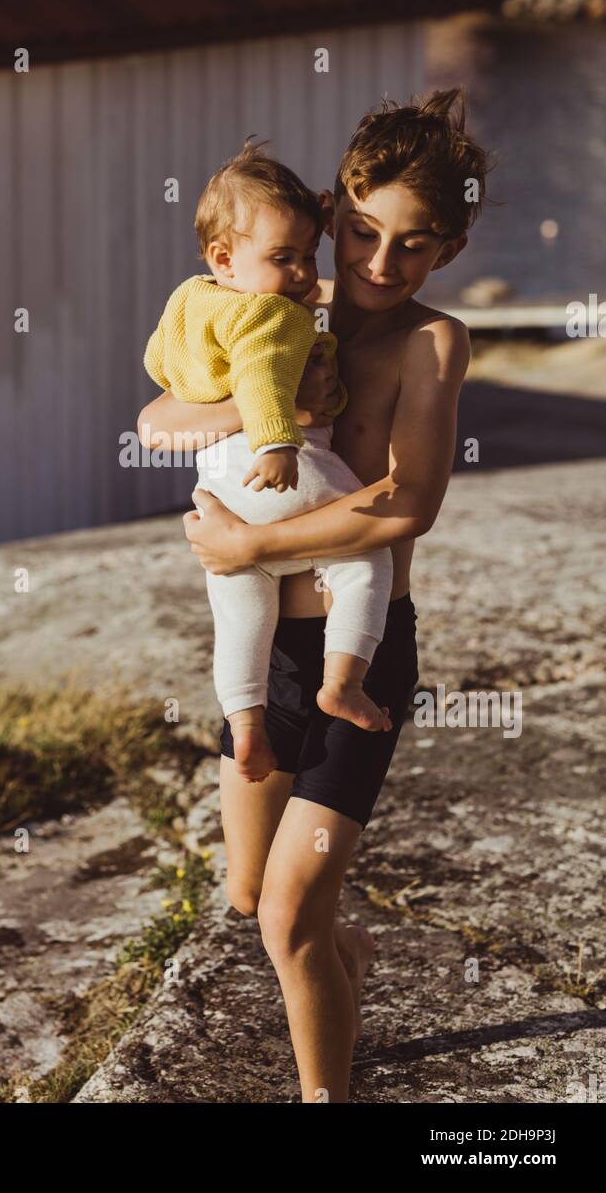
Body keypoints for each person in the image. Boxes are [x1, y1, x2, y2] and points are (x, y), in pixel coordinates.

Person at [138, 90, 491, 1102]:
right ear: (335, 211)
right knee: (249, 895)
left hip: (358, 656)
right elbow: (156, 415)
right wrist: (261, 403)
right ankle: (351, 960)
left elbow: (404, 506)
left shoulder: (434, 344)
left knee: (288, 916)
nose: (380, 265)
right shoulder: (286, 306)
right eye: (364, 233)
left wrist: (252, 540)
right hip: (265, 664)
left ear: (449, 250)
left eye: (414, 246)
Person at [142, 140, 395, 788]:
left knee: (239, 615)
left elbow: (157, 376)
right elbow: (259, 377)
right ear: (225, 259)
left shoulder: (191, 306)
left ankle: (246, 723)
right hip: (286, 474)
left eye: (310, 255)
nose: (303, 273)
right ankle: (344, 682)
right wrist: (277, 435)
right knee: (368, 561)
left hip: (223, 495)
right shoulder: (271, 313)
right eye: (284, 258)